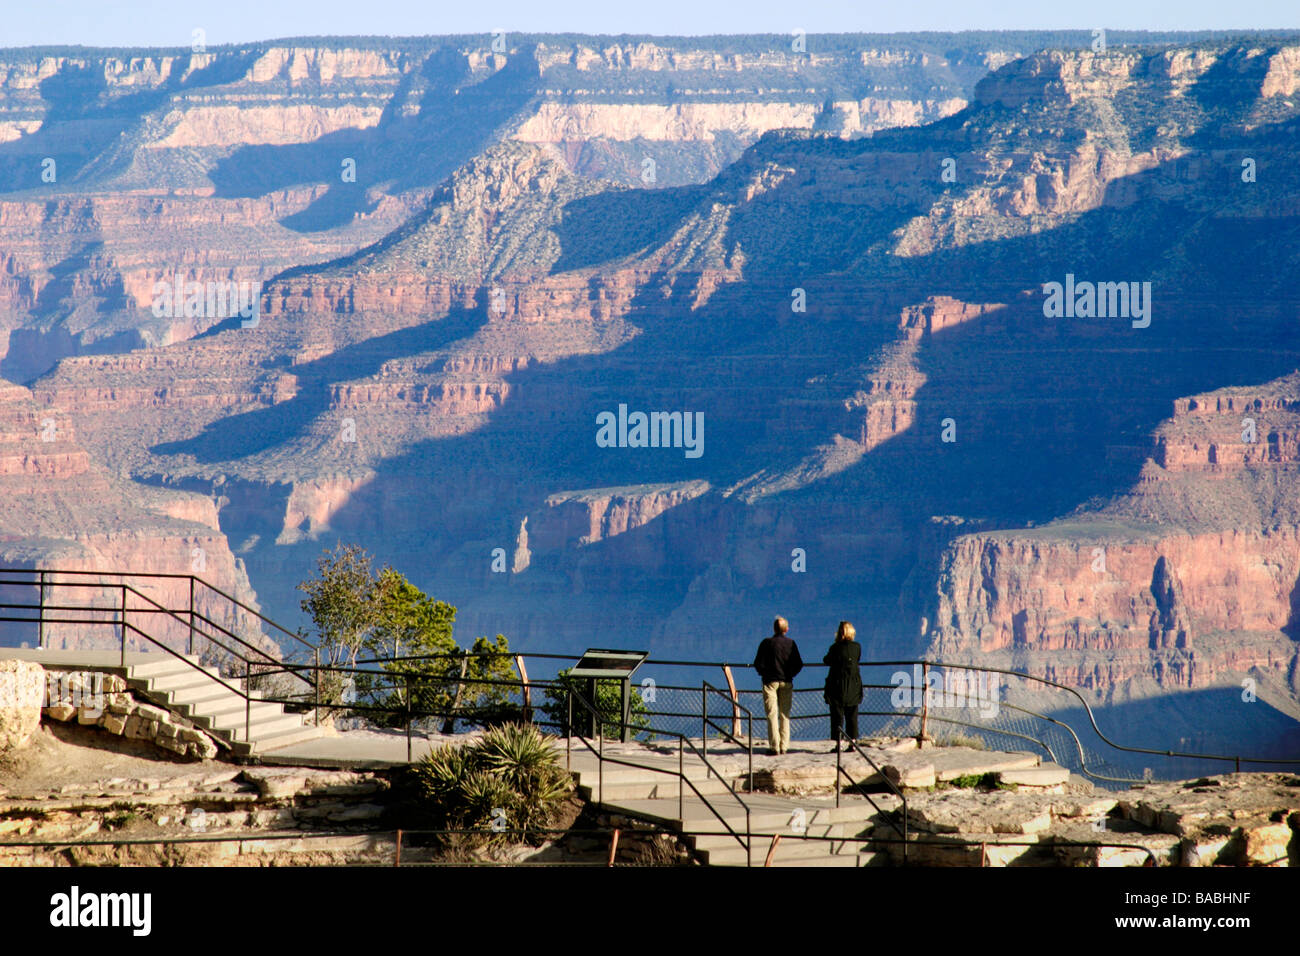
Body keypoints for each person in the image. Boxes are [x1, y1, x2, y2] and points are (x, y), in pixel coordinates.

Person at [753, 616, 803, 755]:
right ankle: (784, 746)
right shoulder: (791, 643)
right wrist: (790, 674)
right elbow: (799, 664)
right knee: (784, 714)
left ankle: (774, 746)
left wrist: (764, 674)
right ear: (786, 629)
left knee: (772, 714)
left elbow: (758, 663)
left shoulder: (766, 643)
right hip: (786, 681)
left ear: (774, 629)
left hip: (770, 682)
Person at [823, 621, 863, 752]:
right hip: (853, 686)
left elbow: (826, 660)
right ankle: (853, 743)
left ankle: (838, 743)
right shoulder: (857, 647)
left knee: (837, 715)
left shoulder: (835, 648)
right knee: (852, 715)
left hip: (837, 686)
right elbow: (857, 659)